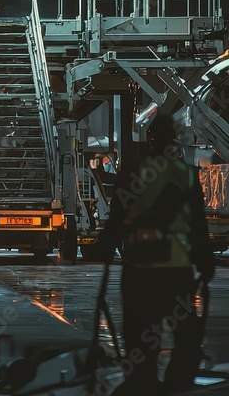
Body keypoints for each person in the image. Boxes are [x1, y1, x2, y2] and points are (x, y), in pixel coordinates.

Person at [101, 114, 215, 394]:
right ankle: (178, 383)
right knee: (186, 333)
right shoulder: (186, 176)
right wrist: (204, 260)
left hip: (140, 268)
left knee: (140, 333)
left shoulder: (132, 173)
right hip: (175, 268)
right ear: (176, 143)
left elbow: (116, 218)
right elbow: (197, 226)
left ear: (150, 141)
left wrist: (103, 247)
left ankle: (142, 382)